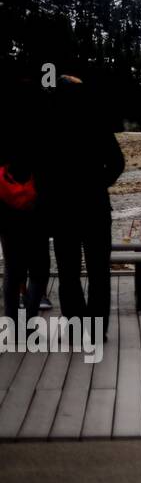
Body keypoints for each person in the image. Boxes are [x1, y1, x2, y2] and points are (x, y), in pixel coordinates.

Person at [38, 75, 124, 338]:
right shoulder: (95, 120)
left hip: (63, 209)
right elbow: (118, 162)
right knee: (99, 271)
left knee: (68, 271)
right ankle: (98, 330)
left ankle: (75, 328)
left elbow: (41, 170)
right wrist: (100, 183)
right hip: (95, 205)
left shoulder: (49, 125)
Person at [0, 74, 49, 324]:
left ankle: (10, 321)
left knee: (12, 269)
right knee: (39, 270)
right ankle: (29, 322)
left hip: (7, 208)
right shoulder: (41, 129)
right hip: (35, 208)